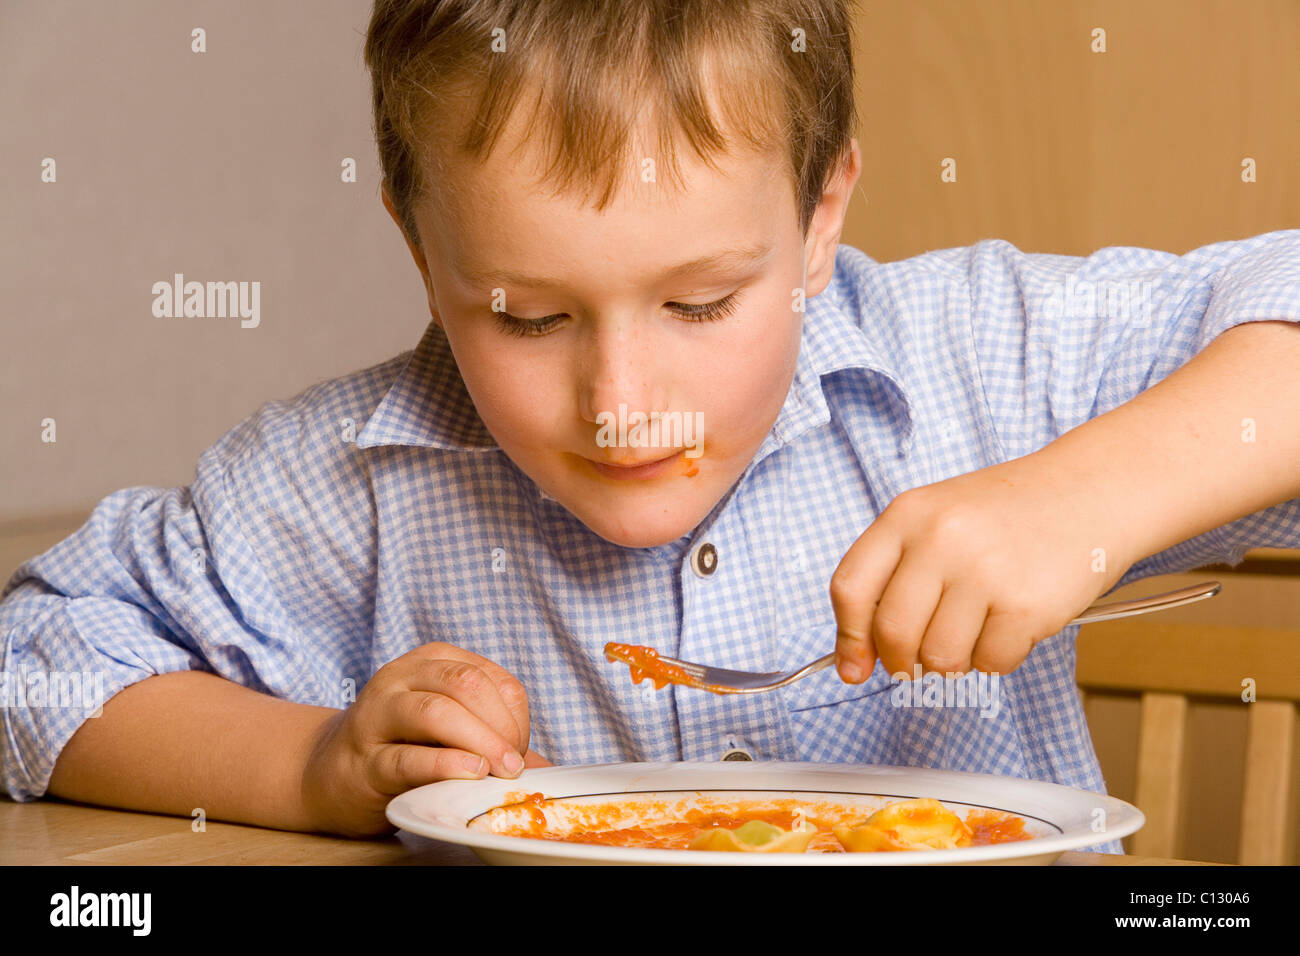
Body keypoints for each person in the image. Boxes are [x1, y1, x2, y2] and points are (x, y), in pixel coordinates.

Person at [3, 0, 1298, 852]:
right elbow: (33, 665)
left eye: (700, 300)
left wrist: (1092, 496)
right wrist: (321, 767)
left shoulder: (983, 364)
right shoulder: (348, 483)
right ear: (416, 239)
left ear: (821, 214)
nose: (625, 405)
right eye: (525, 317)